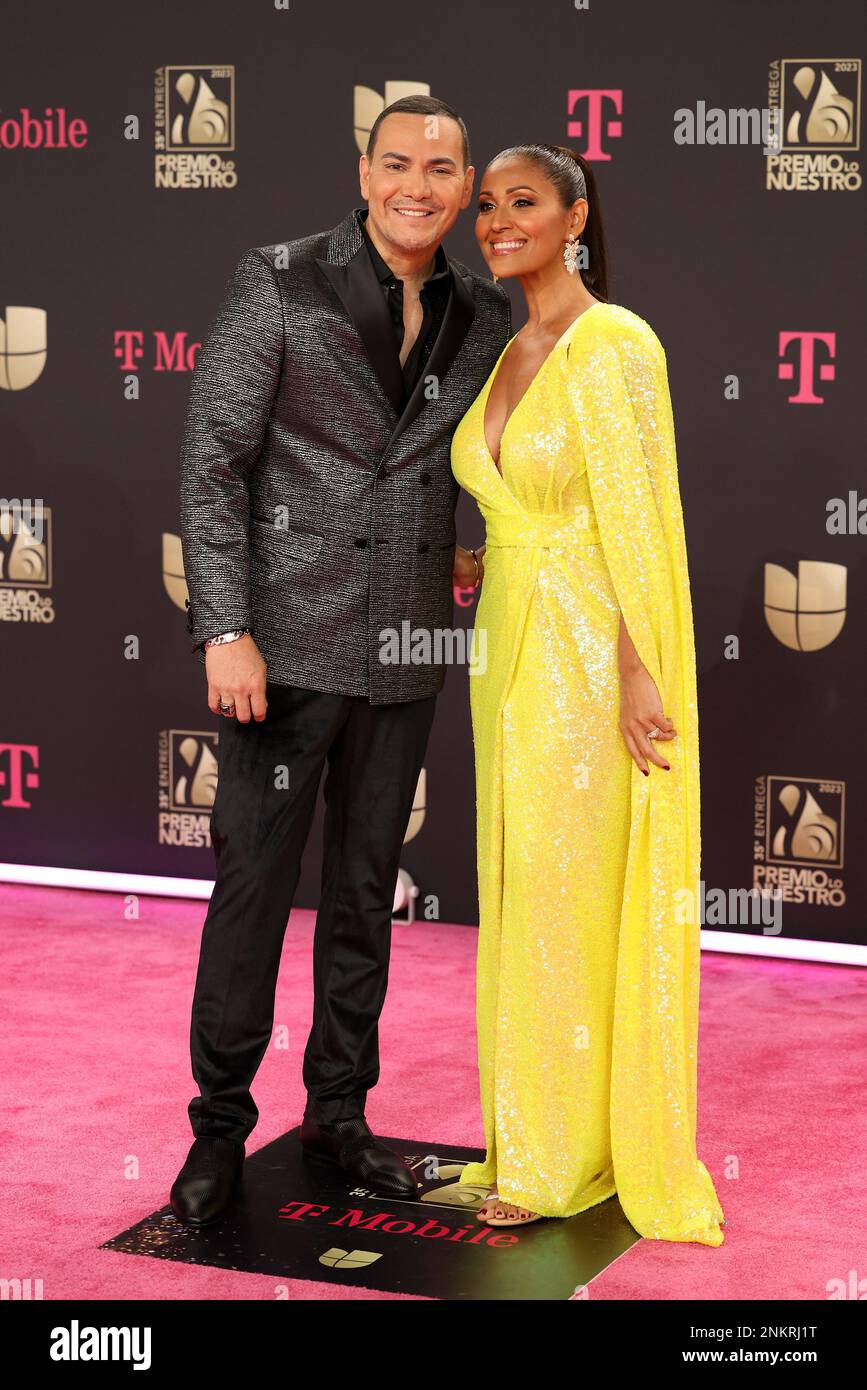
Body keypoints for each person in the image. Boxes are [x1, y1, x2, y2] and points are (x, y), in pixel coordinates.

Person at [172, 95, 510, 1227]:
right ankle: (219, 1131)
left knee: (365, 901)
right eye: (400, 163)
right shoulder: (279, 276)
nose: (421, 185)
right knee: (254, 895)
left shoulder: (488, 311)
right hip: (280, 651)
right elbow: (215, 461)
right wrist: (226, 627)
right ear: (365, 172)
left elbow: (480, 455)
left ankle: (339, 1119)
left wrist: (470, 541)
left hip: (408, 653)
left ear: (465, 188)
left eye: (444, 169)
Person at [450, 143, 726, 1245]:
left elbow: (640, 524)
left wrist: (636, 666)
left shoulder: (615, 343)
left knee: (570, 893)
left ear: (575, 216)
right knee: (521, 891)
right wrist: (480, 562)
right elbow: (526, 501)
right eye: (486, 206)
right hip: (507, 643)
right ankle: (528, 1134)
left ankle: (568, 1161)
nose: (496, 221)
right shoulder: (507, 344)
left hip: (586, 662)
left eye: (523, 202)